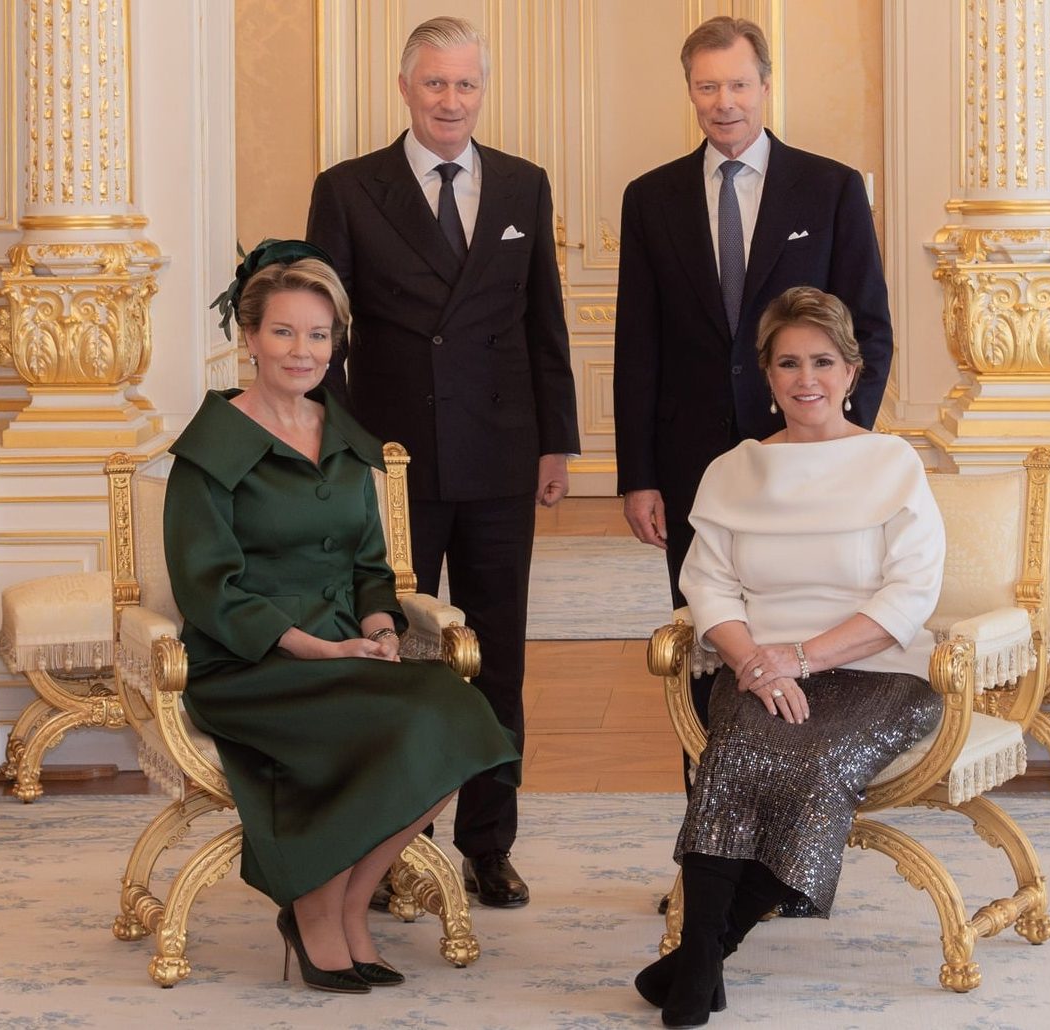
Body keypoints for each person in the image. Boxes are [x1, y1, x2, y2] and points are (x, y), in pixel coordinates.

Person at [165, 240, 521, 994]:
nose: (303, 351)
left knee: (459, 718)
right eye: (284, 332)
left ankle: (347, 903)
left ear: (337, 343)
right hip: (250, 664)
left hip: (343, 649)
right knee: (401, 724)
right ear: (249, 337)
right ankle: (318, 906)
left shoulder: (344, 439)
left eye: (319, 334)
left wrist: (382, 631)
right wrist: (314, 652)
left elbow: (370, 567)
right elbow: (208, 589)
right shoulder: (212, 448)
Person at [305, 15, 578, 910]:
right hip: (391, 467)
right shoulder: (347, 190)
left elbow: (545, 323)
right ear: (404, 88)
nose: (450, 101)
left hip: (500, 457)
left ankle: (487, 845)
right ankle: (395, 851)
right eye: (435, 85)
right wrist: (340, 457)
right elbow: (325, 339)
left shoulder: (522, 186)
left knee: (499, 659)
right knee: (404, 653)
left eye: (465, 85)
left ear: (480, 91)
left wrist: (555, 445)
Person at [634, 287, 945, 1027]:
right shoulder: (732, 469)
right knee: (735, 751)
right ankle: (698, 961)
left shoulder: (891, 462)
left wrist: (800, 658)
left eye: (822, 361)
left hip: (877, 670)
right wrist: (753, 663)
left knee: (817, 764)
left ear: (851, 371)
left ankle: (700, 958)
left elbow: (910, 594)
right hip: (757, 668)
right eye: (788, 363)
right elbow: (707, 586)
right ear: (766, 377)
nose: (806, 377)